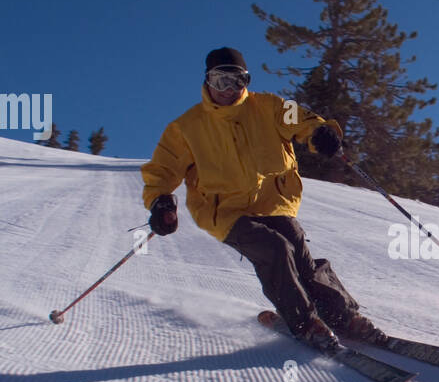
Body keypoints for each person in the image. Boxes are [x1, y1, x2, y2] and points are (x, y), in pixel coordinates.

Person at [140, 46, 386, 352]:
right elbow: (162, 169)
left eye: (237, 81)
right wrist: (160, 200)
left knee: (299, 251)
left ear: (247, 81)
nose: (229, 90)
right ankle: (305, 323)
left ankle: (342, 315)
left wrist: (319, 131)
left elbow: (302, 119)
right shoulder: (187, 128)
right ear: (207, 82)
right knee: (274, 249)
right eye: (220, 81)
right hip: (225, 211)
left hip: (272, 202)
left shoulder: (270, 106)